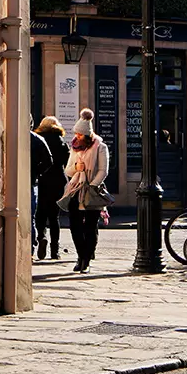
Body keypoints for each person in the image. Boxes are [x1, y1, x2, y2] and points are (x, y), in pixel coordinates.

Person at [60, 110, 111, 273]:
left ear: (87, 135)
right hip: (76, 190)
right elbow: (67, 170)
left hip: (92, 191)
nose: (77, 137)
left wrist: (93, 185)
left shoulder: (100, 147)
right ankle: (81, 256)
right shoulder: (74, 148)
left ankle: (86, 259)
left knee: (90, 226)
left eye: (80, 135)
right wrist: (76, 168)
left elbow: (103, 170)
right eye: (76, 134)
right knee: (75, 226)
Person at [33, 115, 69, 261]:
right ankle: (55, 251)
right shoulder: (61, 141)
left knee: (40, 214)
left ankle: (41, 237)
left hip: (41, 181)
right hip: (58, 182)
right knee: (54, 217)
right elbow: (67, 162)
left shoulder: (38, 139)